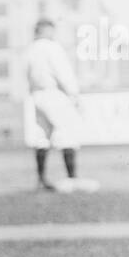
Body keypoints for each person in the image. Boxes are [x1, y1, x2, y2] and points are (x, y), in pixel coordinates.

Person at [24, 18, 82, 191]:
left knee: (42, 137)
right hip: (53, 93)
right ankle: (71, 178)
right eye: (51, 30)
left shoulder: (30, 50)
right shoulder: (51, 47)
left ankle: (41, 179)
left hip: (37, 95)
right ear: (44, 30)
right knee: (67, 133)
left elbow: (27, 75)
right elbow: (62, 72)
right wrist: (73, 94)